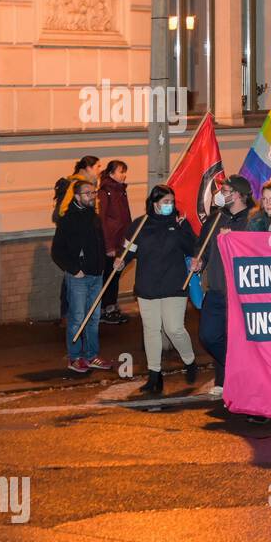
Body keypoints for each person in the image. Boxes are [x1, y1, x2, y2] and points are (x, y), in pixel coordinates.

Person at [113, 184, 199, 395]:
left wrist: (181, 230)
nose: (169, 205)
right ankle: (154, 376)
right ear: (154, 203)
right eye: (165, 202)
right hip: (147, 286)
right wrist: (120, 261)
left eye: (171, 201)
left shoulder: (180, 223)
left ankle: (190, 360)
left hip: (174, 285)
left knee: (173, 328)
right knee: (150, 331)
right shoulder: (139, 225)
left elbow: (193, 247)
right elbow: (128, 250)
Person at [191, 175, 253, 398]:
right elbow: (203, 247)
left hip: (240, 293)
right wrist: (199, 260)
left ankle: (224, 379)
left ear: (237, 194)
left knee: (235, 337)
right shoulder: (216, 218)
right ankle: (235, 371)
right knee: (209, 336)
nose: (221, 194)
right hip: (216, 289)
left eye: (225, 190)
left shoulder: (253, 221)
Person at [51, 178, 113, 373]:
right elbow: (57, 251)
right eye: (88, 193)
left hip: (97, 275)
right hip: (79, 277)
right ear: (77, 196)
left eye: (94, 193)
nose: (92, 197)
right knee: (77, 317)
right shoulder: (68, 220)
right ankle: (75, 357)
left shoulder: (94, 217)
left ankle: (92, 355)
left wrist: (103, 264)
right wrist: (74, 269)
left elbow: (99, 243)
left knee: (93, 318)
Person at [96, 159, 132, 324]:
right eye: (120, 171)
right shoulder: (106, 192)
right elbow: (103, 219)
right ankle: (106, 308)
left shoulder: (121, 190)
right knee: (110, 275)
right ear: (111, 173)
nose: (123, 175)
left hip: (121, 240)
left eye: (124, 171)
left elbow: (126, 216)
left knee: (116, 274)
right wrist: (108, 245)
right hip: (111, 241)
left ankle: (111, 306)